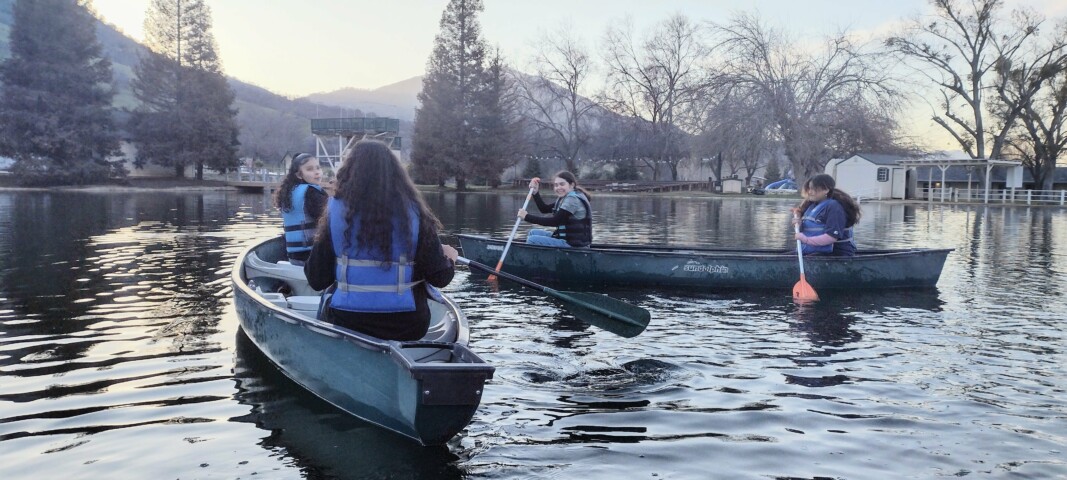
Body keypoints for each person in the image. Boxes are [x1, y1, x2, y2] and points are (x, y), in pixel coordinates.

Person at [303, 139, 458, 341]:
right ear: (396, 174)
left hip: (349, 323)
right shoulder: (415, 212)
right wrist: (450, 258)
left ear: (349, 172)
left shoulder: (335, 212)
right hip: (406, 326)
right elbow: (441, 277)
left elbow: (316, 280)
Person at [274, 153, 328, 264]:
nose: (317, 172)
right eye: (310, 169)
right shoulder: (311, 192)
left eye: (318, 168)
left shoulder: (288, 192)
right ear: (299, 175)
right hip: (312, 256)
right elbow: (330, 220)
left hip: (293, 256)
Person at [517, 171, 593, 247]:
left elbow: (555, 221)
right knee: (532, 232)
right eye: (556, 185)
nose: (558, 187)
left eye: (562, 184)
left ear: (571, 185)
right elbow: (544, 209)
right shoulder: (565, 198)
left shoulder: (573, 200)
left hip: (574, 245)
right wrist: (535, 193)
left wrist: (526, 217)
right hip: (565, 239)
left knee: (532, 240)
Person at [793, 173, 861, 256]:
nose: (810, 192)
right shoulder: (812, 205)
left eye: (813, 189)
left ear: (826, 190)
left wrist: (806, 240)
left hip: (837, 253)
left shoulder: (834, 207)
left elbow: (831, 237)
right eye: (809, 189)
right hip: (816, 251)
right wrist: (799, 224)